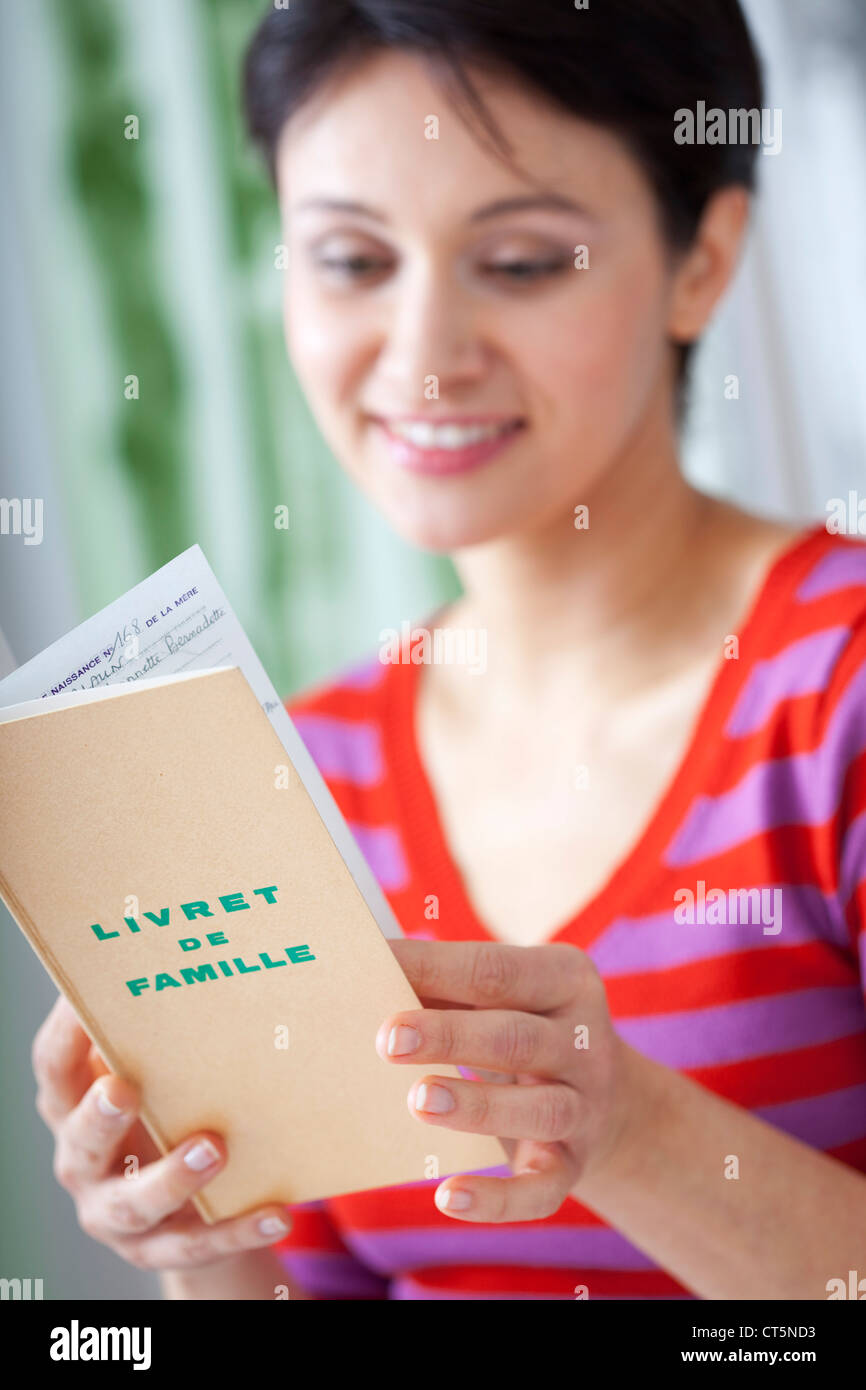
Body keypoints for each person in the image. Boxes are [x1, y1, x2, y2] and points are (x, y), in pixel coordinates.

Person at [31, 0, 866, 1300]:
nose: (421, 359)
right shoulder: (290, 772)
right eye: (352, 262)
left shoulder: (838, 693)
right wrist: (207, 1231)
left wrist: (626, 1126)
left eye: (524, 262)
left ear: (702, 259)